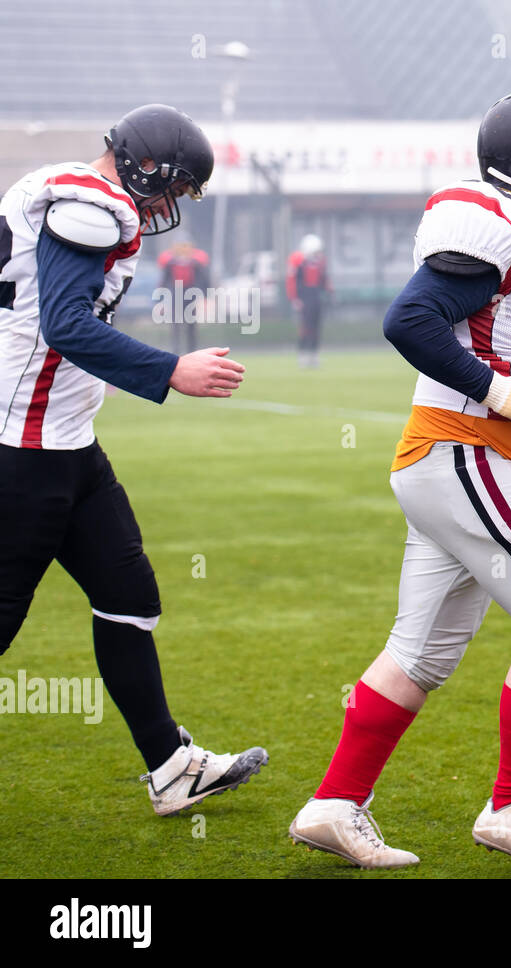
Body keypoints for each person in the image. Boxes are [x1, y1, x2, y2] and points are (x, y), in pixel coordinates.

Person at [289, 87, 511, 875]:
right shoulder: (498, 217)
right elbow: (410, 320)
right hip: (466, 453)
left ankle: (335, 805)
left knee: (421, 653)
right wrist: (497, 392)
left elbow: (510, 343)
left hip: (473, 461)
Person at [0, 103, 268, 817]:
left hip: (66, 439)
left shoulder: (57, 187)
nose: (172, 204)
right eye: (175, 187)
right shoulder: (93, 204)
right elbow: (62, 324)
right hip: (23, 448)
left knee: (128, 593)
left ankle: (172, 765)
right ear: (144, 165)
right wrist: (169, 371)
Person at [156, 236, 210, 353]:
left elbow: (204, 279)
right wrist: (161, 298)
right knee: (176, 323)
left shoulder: (196, 262)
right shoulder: (170, 263)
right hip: (176, 293)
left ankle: (192, 349)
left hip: (191, 294)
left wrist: (205, 296)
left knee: (191, 323)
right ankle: (176, 348)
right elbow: (164, 280)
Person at [287, 233, 331, 368]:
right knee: (306, 327)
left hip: (316, 296)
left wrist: (329, 290)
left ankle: (314, 355)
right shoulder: (297, 260)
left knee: (316, 327)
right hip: (304, 297)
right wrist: (294, 298)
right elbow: (291, 280)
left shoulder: (320, 261)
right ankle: (303, 355)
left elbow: (323, 279)